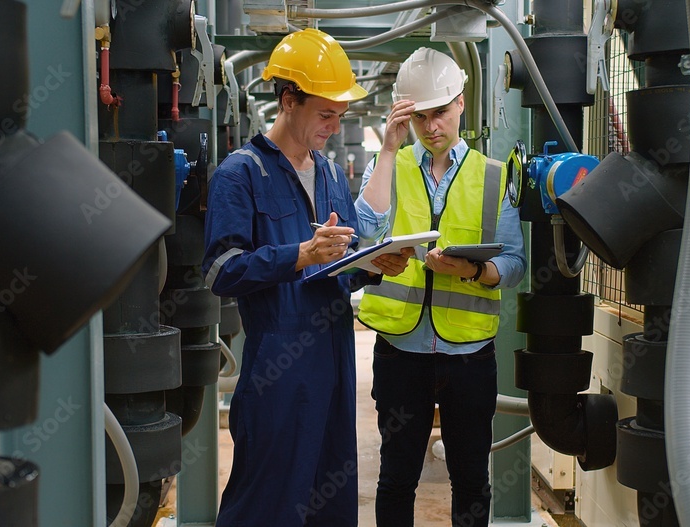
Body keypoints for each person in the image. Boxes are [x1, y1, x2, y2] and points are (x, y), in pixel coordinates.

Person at [203, 28, 411, 527]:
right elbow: (221, 271)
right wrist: (297, 256)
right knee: (268, 500)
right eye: (325, 114)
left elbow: (338, 265)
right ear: (288, 100)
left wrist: (372, 263)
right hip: (279, 363)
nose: (334, 128)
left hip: (335, 354)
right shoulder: (240, 174)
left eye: (340, 116)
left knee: (331, 500)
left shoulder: (333, 174)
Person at [355, 47, 527, 527]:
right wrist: (388, 149)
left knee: (471, 478)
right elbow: (363, 231)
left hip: (469, 356)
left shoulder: (494, 177)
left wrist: (470, 272)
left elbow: (514, 264)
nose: (432, 127)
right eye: (421, 117)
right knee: (396, 477)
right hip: (399, 350)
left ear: (461, 105)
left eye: (441, 113)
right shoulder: (387, 166)